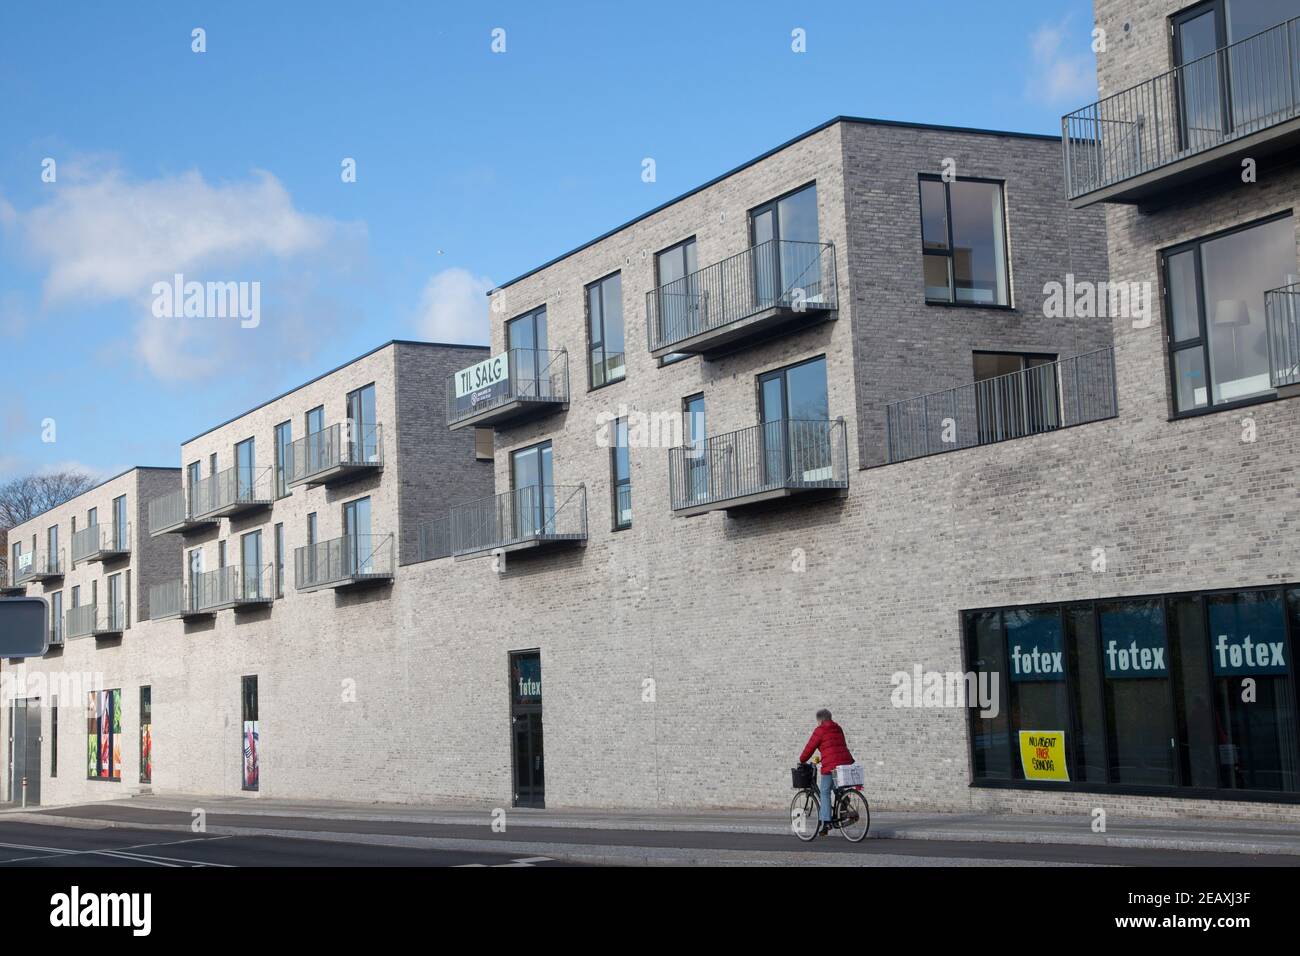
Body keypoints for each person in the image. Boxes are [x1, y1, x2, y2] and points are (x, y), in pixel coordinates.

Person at [798, 708, 854, 837]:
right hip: (844, 763)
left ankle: (826, 822)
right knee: (837, 788)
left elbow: (810, 747)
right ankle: (844, 802)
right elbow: (842, 745)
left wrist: (802, 760)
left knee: (824, 792)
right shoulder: (838, 728)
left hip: (830, 765)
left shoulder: (820, 730)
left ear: (820, 720)